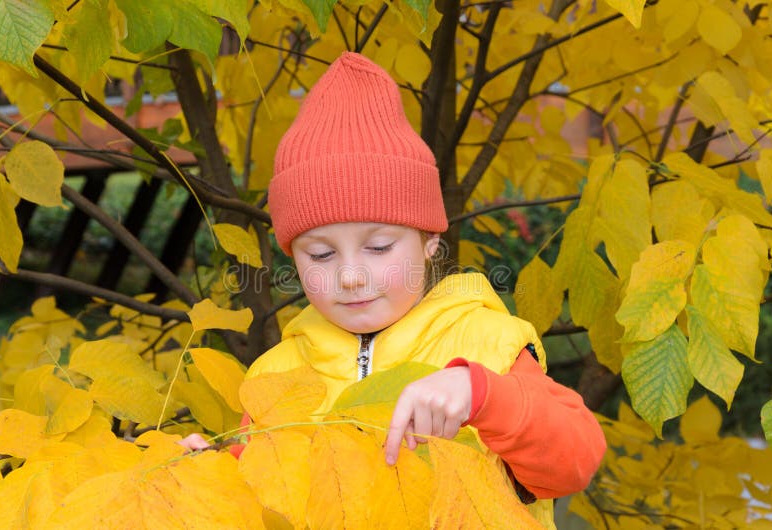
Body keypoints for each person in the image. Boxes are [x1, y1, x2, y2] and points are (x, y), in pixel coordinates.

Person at [182, 51, 605, 528]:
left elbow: (575, 460)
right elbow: (269, 497)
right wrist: (214, 477)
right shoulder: (277, 377)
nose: (350, 275)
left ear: (429, 243)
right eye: (321, 255)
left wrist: (481, 395)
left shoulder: (490, 346)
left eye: (379, 247)